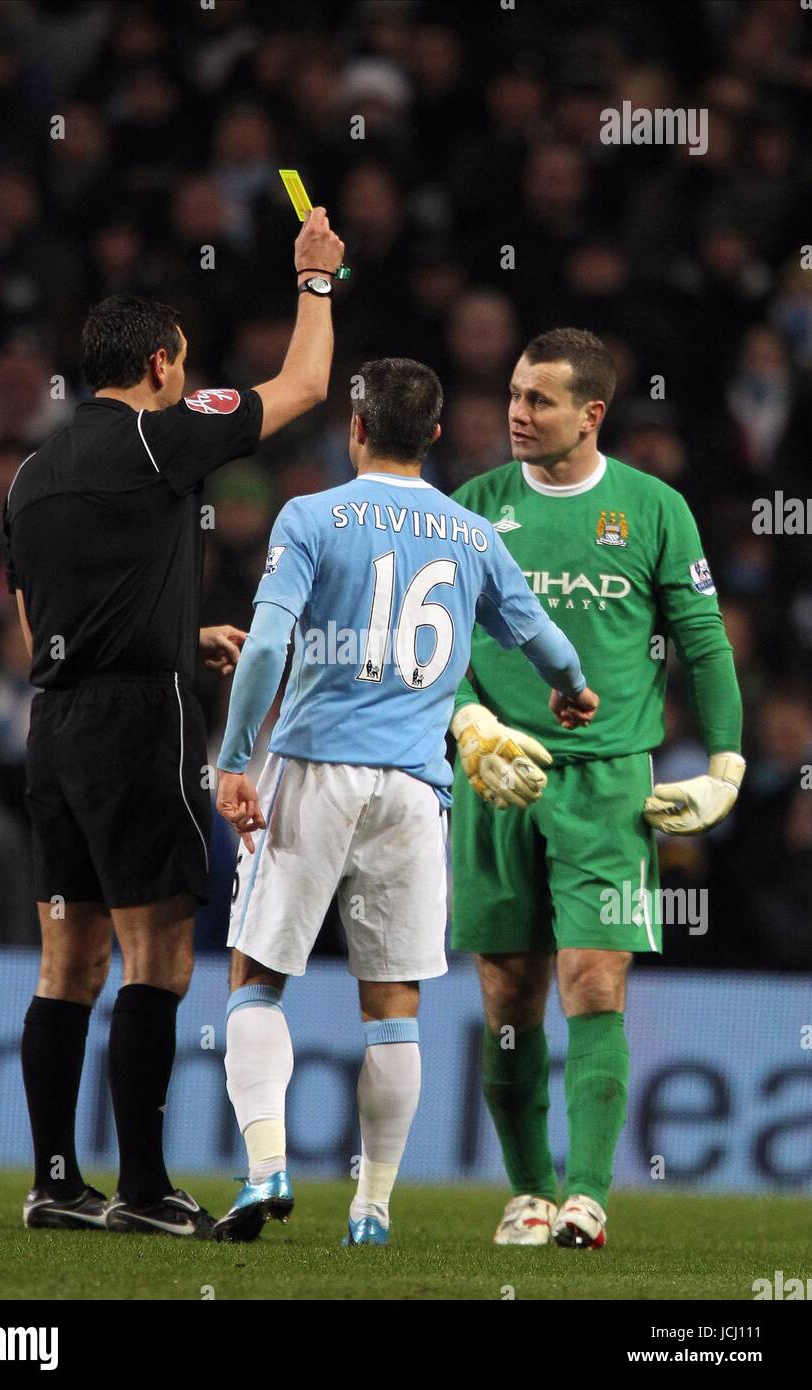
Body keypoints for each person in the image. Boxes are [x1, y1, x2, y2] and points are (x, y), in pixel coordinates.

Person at [4, 206, 346, 1238]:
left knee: (66, 962)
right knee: (157, 958)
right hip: (137, 725)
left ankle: (55, 1181)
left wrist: (171, 631)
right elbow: (304, 386)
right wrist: (315, 279)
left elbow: (36, 628)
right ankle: (145, 1191)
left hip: (53, 724)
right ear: (161, 366)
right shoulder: (163, 433)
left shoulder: (29, 474)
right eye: (182, 361)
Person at [213, 357, 598, 1246]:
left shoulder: (311, 515)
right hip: (416, 789)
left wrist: (234, 760)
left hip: (314, 771)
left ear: (354, 427)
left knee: (256, 977)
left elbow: (265, 646)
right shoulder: (471, 532)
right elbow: (539, 634)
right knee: (392, 1004)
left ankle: (266, 1165)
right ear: (433, 435)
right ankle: (372, 1207)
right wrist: (572, 688)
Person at [449, 328, 744, 1249]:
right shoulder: (471, 508)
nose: (516, 413)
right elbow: (430, 648)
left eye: (537, 399)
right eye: (512, 394)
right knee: (507, 997)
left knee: (592, 978)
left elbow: (703, 644)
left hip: (609, 783)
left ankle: (585, 1196)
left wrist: (726, 764)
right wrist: (467, 721)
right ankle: (528, 1193)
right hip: (496, 779)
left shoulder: (653, 509)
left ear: (591, 414)